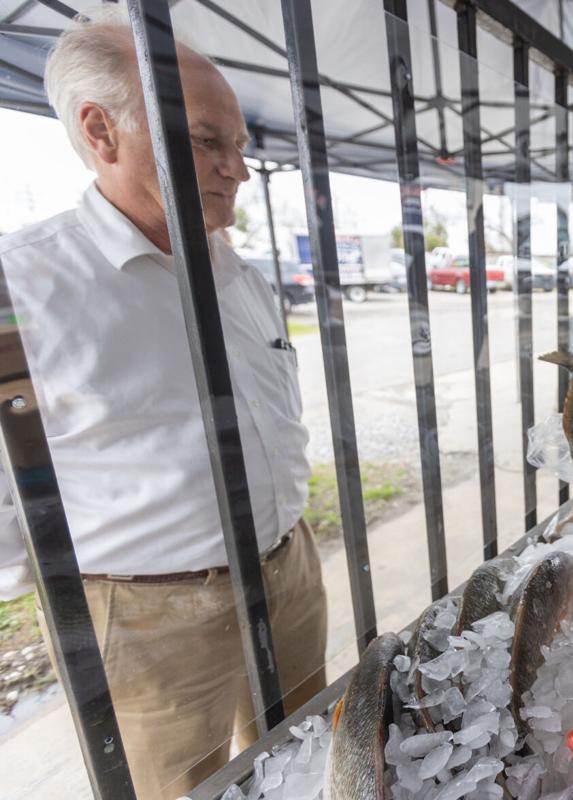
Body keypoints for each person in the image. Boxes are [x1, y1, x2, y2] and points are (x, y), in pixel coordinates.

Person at [0, 6, 326, 798]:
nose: (236, 170)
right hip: (151, 617)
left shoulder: (233, 267)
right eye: (207, 141)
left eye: (239, 147)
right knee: (180, 787)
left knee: (311, 755)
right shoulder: (26, 286)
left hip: (287, 568)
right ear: (101, 133)